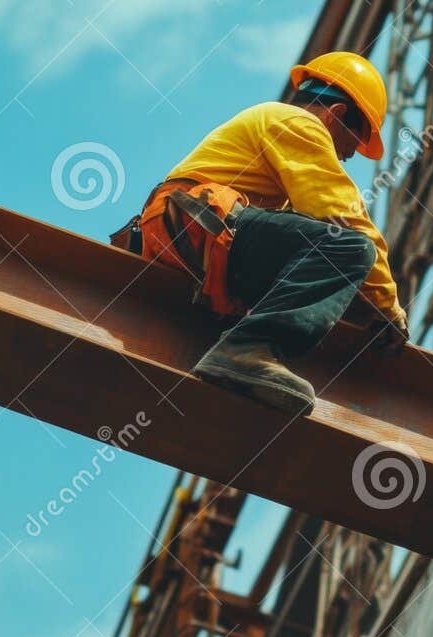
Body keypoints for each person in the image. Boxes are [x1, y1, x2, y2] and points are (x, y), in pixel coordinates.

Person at [134, 50, 410, 417]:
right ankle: (247, 350)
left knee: (317, 262)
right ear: (337, 114)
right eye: (354, 140)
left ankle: (246, 354)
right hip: (198, 227)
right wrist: (387, 306)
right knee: (352, 250)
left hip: (193, 236)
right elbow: (341, 215)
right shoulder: (296, 122)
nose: (349, 156)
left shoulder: (272, 146)